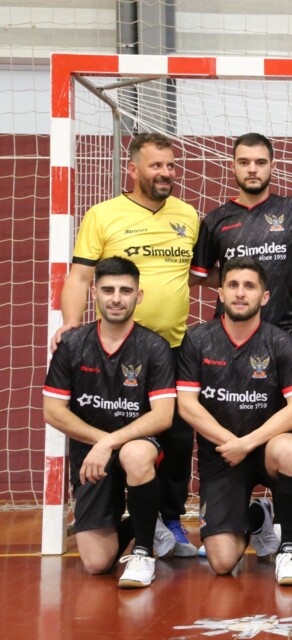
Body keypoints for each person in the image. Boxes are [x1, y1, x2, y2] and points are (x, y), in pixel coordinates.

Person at [53, 132, 200, 557]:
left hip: (171, 348)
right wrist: (70, 324)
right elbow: (81, 277)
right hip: (111, 351)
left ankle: (168, 521)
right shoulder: (103, 215)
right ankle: (103, 515)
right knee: (109, 431)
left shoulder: (187, 215)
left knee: (174, 439)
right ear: (132, 169)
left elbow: (196, 276)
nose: (166, 173)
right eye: (156, 166)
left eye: (171, 165)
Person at [42, 257, 176, 588]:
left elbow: (163, 416)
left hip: (134, 446)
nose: (116, 298)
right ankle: (146, 520)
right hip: (91, 457)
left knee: (134, 454)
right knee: (97, 563)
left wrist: (108, 443)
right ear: (94, 293)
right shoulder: (71, 345)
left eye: (125, 290)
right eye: (108, 290)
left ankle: (144, 552)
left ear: (139, 296)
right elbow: (53, 411)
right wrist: (101, 441)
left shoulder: (154, 347)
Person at [177, 257, 292, 586]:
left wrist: (248, 443)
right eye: (233, 285)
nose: (240, 293)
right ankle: (257, 516)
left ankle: (288, 549)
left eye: (249, 286)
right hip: (221, 456)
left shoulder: (281, 343)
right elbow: (187, 406)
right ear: (220, 293)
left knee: (290, 449)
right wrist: (230, 443)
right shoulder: (198, 340)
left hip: (264, 450)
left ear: (264, 297)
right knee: (222, 563)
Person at [191, 133, 292, 340]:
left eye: (260, 162)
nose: (252, 169)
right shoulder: (215, 220)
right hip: (228, 334)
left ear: (272, 166)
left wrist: (285, 268)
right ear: (232, 166)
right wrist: (236, 280)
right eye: (244, 162)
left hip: (282, 333)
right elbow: (201, 273)